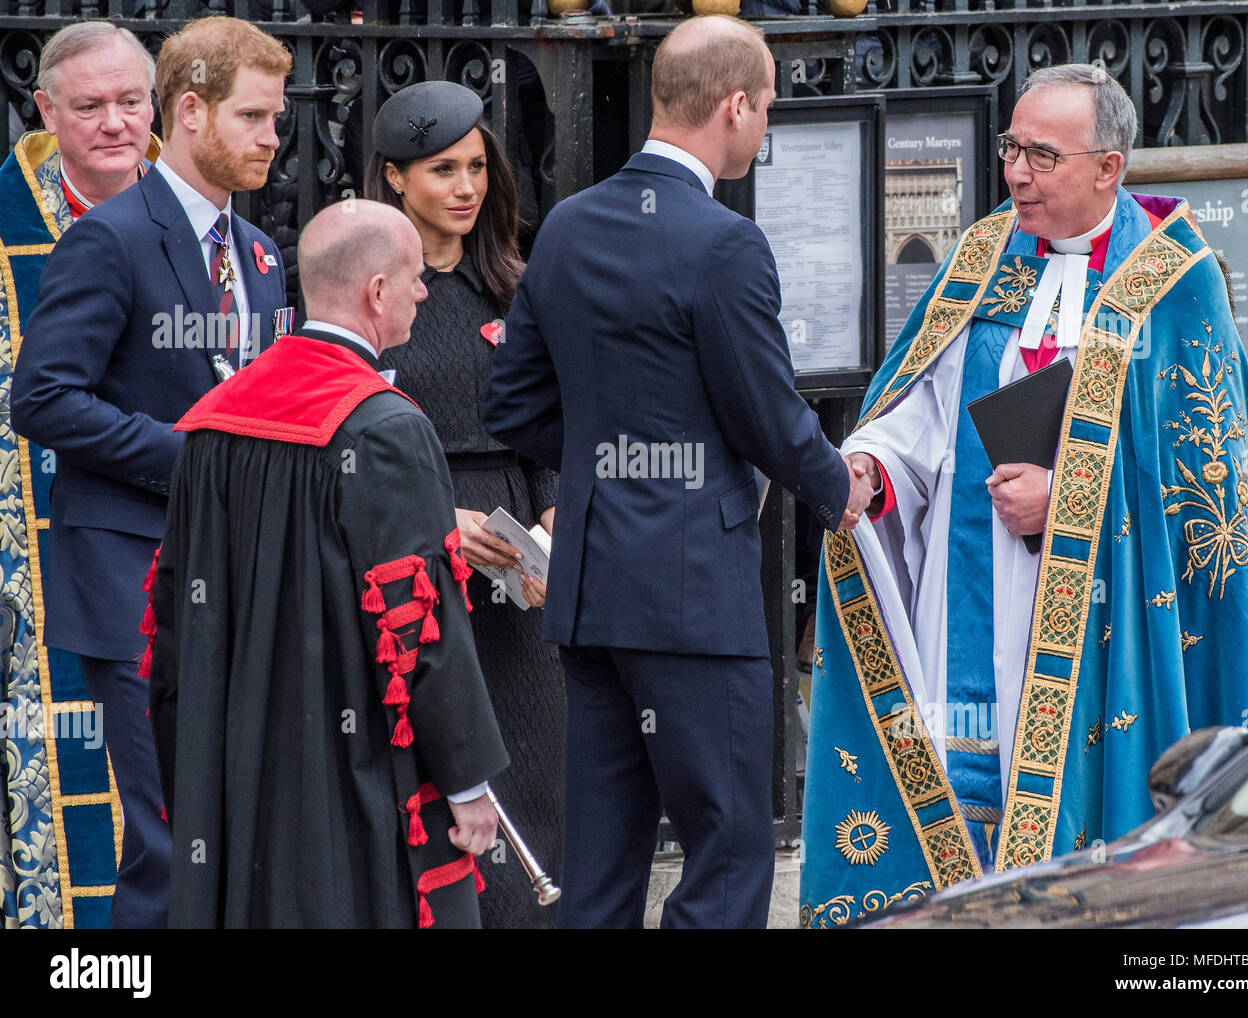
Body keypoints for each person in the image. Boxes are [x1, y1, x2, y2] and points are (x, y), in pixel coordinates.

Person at [799, 64, 1248, 927]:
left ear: (1110, 167)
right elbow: (924, 407)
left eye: (1041, 155)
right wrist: (875, 469)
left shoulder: (1176, 284)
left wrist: (1070, 501)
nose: (1016, 173)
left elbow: (1209, 498)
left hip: (1105, 628)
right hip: (969, 599)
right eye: (1010, 148)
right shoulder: (984, 255)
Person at [484, 15, 874, 929]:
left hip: (592, 591)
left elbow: (514, 406)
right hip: (694, 594)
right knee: (731, 849)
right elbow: (769, 416)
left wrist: (602, 468)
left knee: (602, 859)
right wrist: (837, 485)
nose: (767, 127)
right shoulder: (723, 242)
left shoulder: (569, 226)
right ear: (734, 106)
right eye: (767, 106)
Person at [145, 199, 510, 928]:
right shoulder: (388, 428)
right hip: (353, 776)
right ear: (376, 291)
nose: (424, 293)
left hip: (236, 766)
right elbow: (421, 633)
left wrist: (194, 767)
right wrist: (469, 781)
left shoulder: (216, 418)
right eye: (413, 279)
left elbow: (171, 622)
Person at [11, 16, 293, 929]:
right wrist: (195, 460)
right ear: (196, 115)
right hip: (132, 573)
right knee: (172, 838)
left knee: (225, 830)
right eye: (254, 118)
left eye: (278, 120)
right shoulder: (112, 237)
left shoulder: (256, 253)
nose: (273, 138)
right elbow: (43, 399)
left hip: (235, 576)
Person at [365, 81, 564, 929]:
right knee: (440, 764)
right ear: (394, 178)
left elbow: (555, 421)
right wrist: (437, 520)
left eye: (477, 166)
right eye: (442, 167)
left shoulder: (516, 284)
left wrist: (552, 517)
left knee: (536, 751)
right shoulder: (374, 290)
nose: (465, 185)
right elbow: (352, 438)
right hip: (422, 535)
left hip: (517, 552)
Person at [0, 20, 159, 930]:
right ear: (45, 108)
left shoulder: (206, 221)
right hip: (28, 543)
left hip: (156, 536)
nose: (113, 123)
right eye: (89, 106)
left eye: (129, 103)